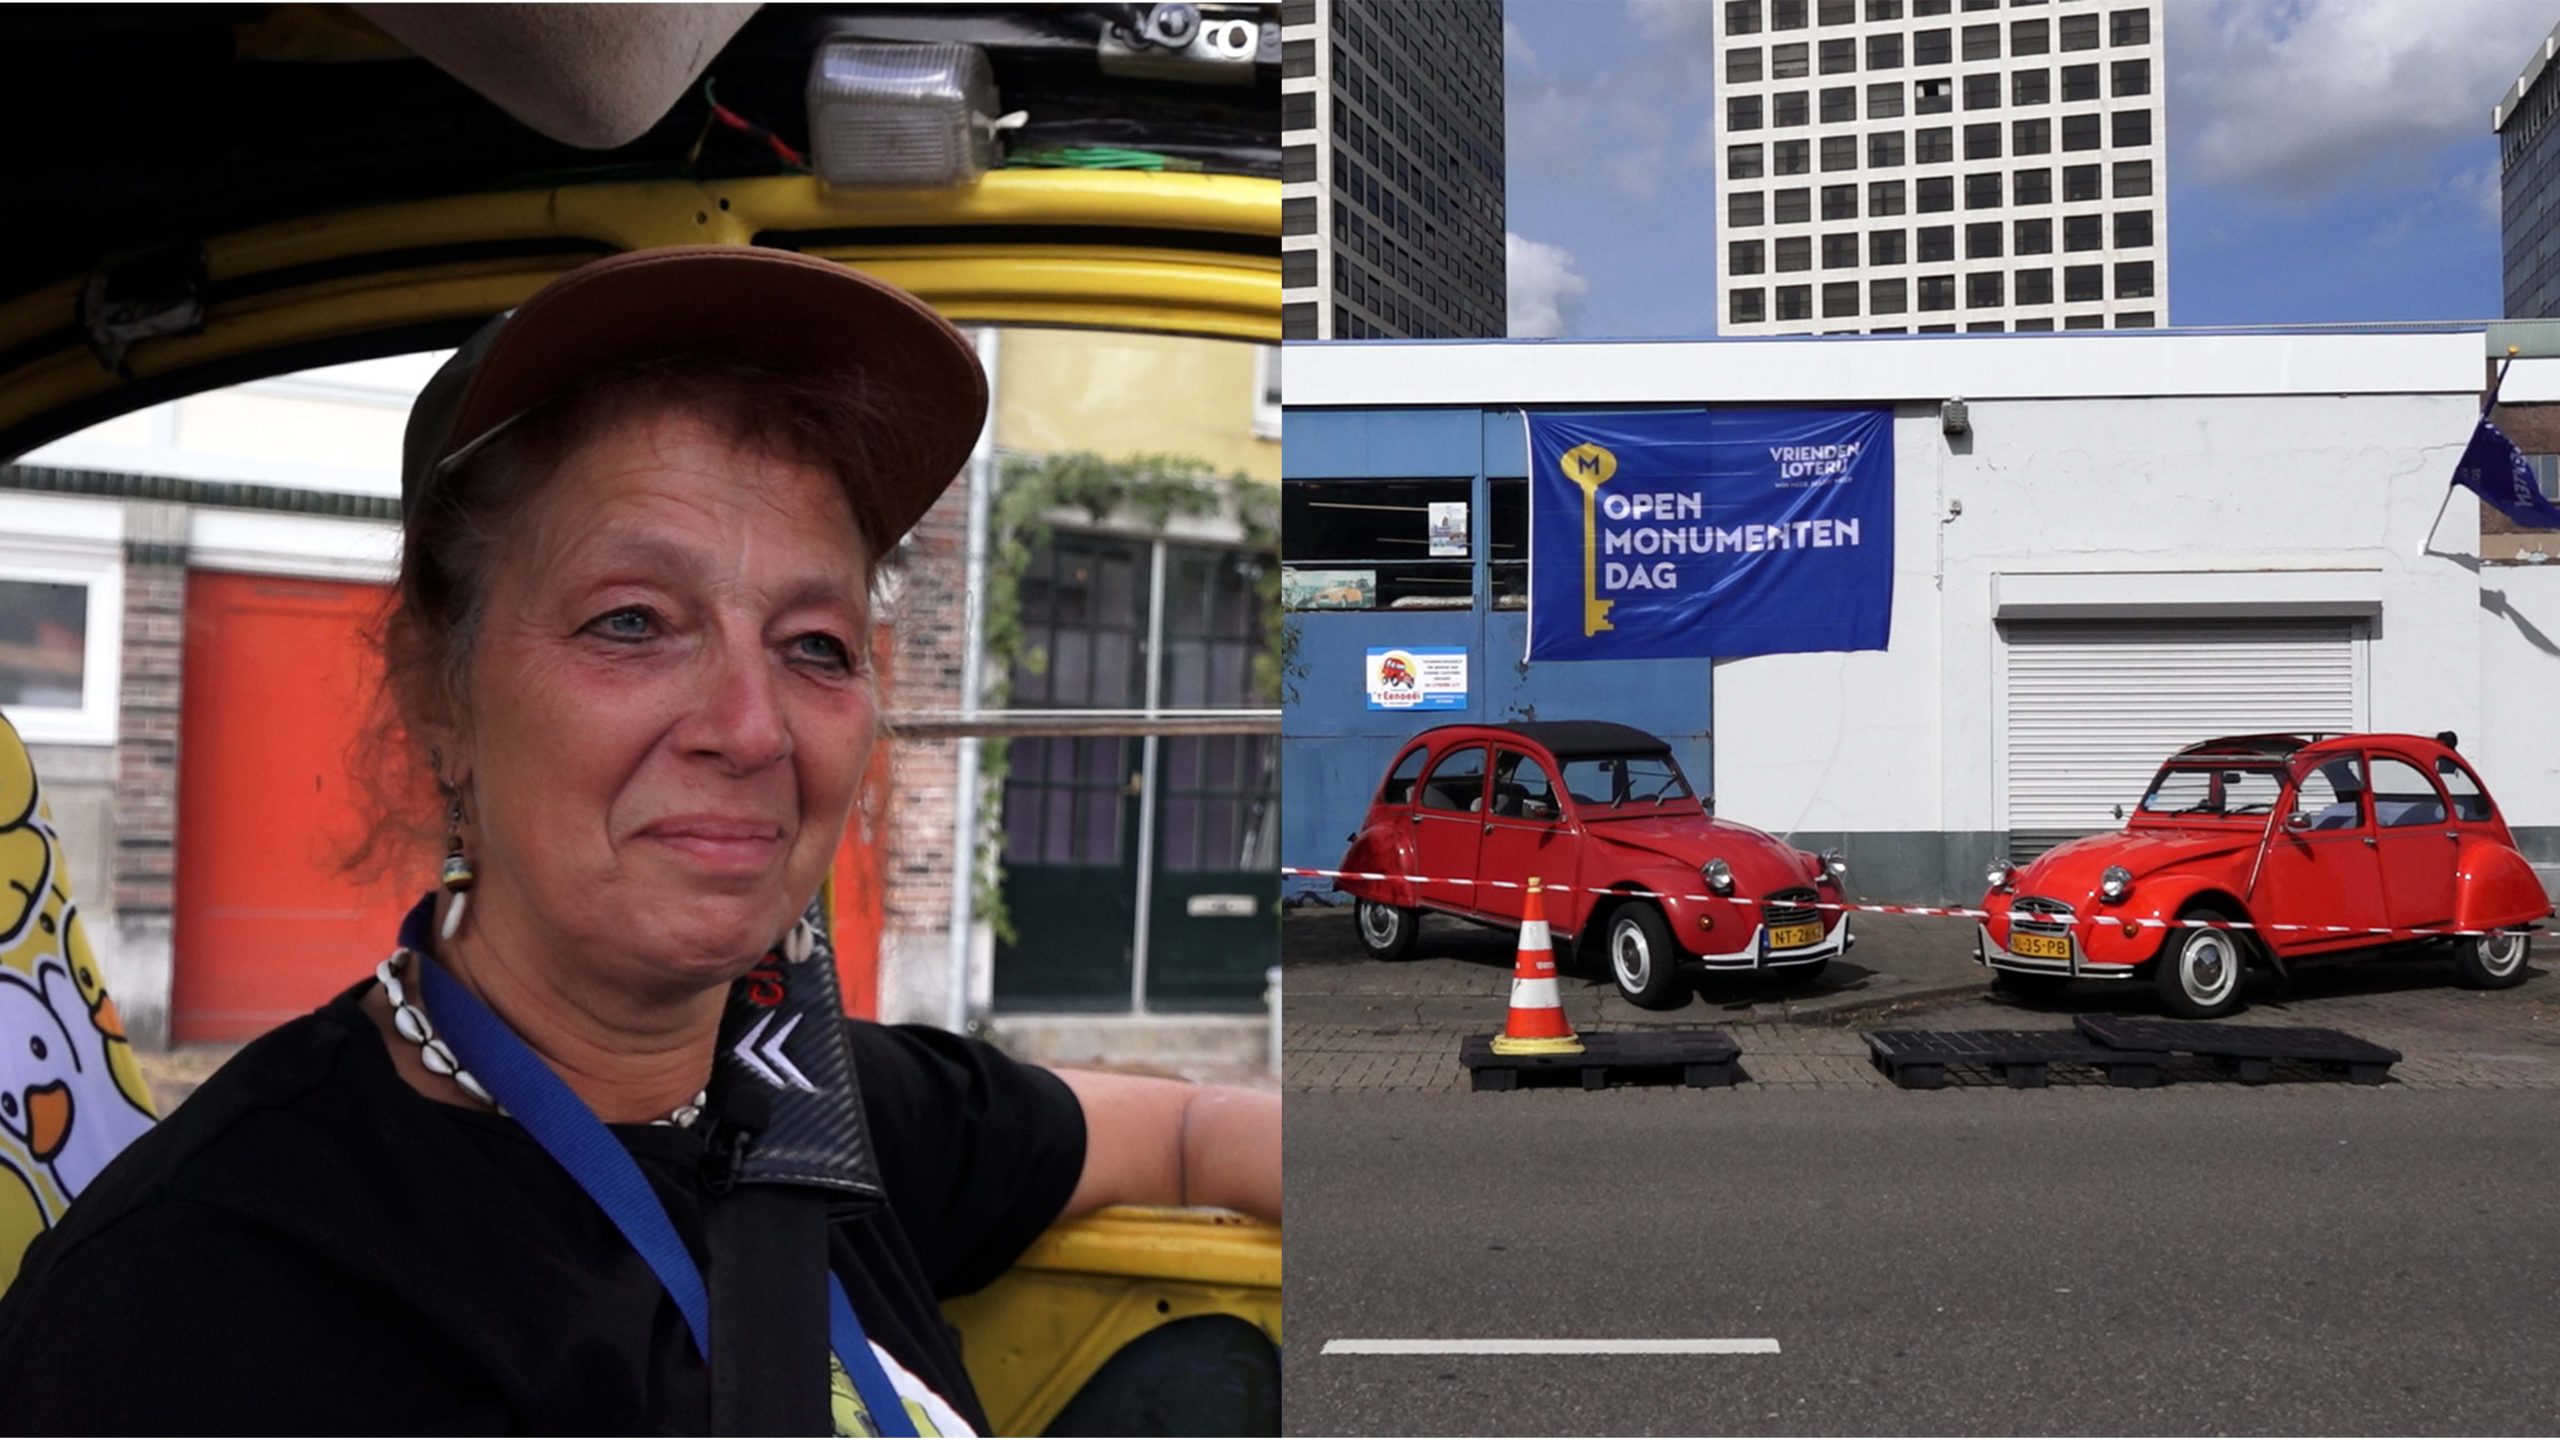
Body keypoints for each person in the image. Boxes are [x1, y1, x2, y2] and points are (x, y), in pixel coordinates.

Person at [0, 246, 1279, 1434]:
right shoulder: (210, 1292)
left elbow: (1181, 1132)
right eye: (630, 621)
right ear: (437, 690)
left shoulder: (813, 1102)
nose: (751, 726)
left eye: (815, 645)